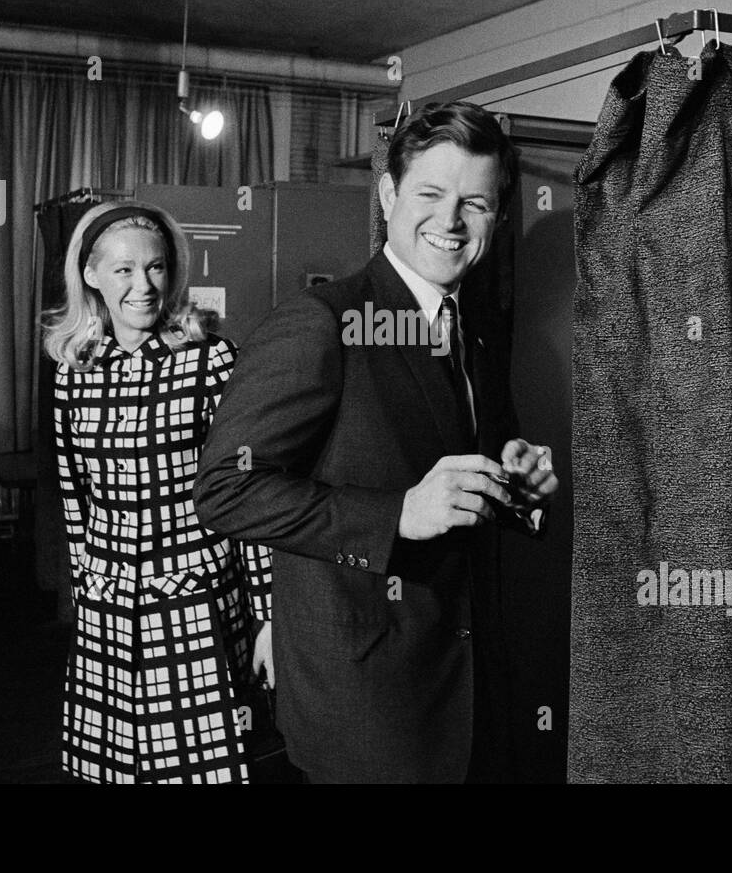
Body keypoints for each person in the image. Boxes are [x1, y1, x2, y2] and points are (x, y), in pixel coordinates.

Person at [193, 102, 559, 783]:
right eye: (430, 194)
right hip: (367, 706)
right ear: (390, 195)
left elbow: (453, 479)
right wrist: (397, 515)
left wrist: (517, 486)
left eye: (474, 203)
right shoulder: (320, 323)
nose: (450, 222)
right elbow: (224, 491)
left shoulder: (471, 330)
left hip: (467, 690)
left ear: (496, 218)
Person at [44, 200, 273, 784]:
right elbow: (76, 499)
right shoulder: (75, 370)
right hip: (107, 605)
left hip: (194, 599)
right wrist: (84, 593)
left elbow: (248, 490)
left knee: (201, 771)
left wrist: (269, 615)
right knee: (113, 770)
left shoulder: (210, 358)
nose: (143, 285)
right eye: (124, 270)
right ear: (91, 275)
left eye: (155, 268)